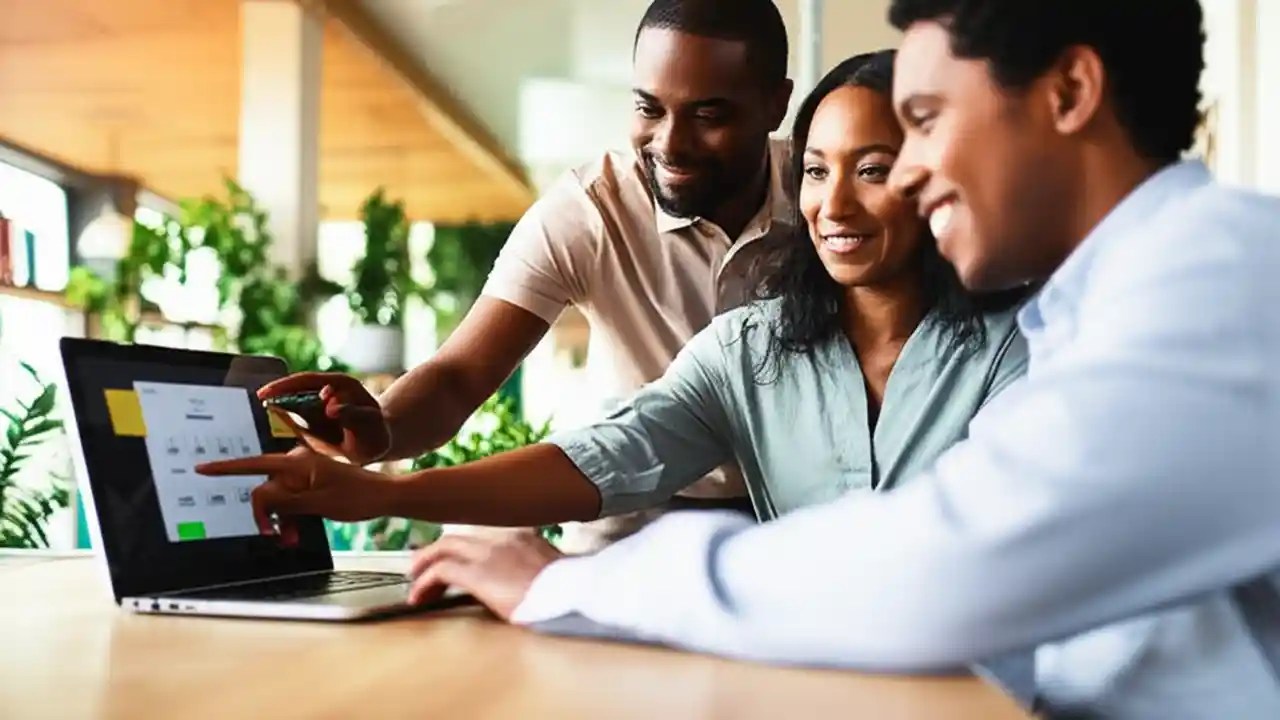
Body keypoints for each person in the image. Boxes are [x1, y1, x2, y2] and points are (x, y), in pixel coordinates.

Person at [353, 1, 1280, 717]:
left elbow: (938, 571)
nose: (907, 173)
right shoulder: (1109, 308)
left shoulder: (1218, 289)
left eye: (923, 120)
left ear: (1069, 93)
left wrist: (564, 582)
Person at [197, 50, 1028, 551]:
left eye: (873, 170)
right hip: (735, 619)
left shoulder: (1022, 344)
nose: (833, 206)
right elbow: (608, 452)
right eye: (817, 171)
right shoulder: (748, 347)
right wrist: (387, 486)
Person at [250, 0, 796, 554]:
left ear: (776, 104)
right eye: (649, 109)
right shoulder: (589, 210)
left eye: (709, 115)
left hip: (790, 526)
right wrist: (384, 426)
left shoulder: (824, 202)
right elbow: (460, 374)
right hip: (623, 530)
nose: (670, 143)